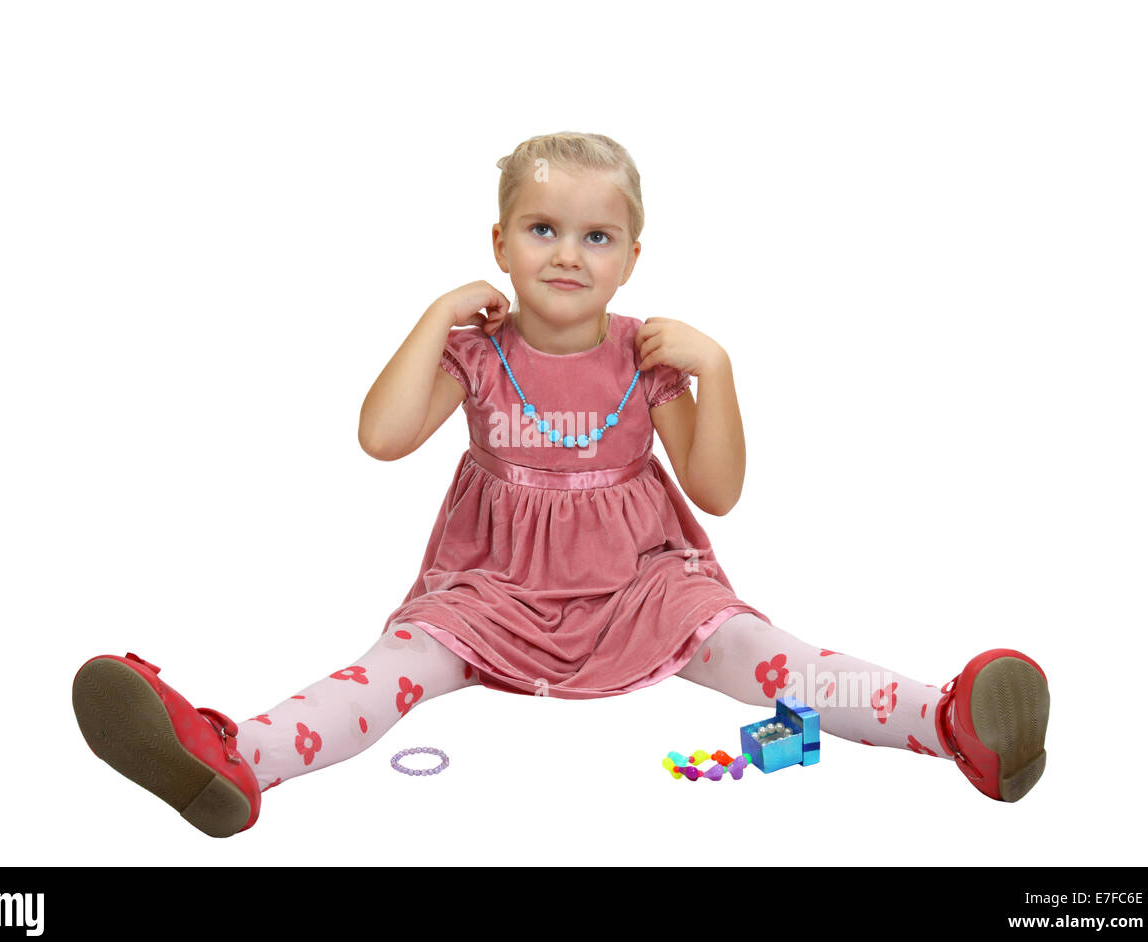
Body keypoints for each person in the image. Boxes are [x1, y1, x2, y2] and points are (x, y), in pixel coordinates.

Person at [72, 131, 1050, 838]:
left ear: (629, 257)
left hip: (644, 585)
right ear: (499, 244)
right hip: (490, 587)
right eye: (541, 228)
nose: (566, 254)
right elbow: (380, 436)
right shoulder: (477, 352)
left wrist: (722, 369)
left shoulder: (648, 353)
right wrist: (431, 318)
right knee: (383, 672)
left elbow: (716, 491)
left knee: (773, 655)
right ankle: (232, 753)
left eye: (594, 237)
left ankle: (950, 720)